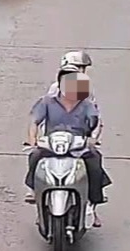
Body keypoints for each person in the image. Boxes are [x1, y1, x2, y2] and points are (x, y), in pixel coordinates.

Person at [25, 68, 110, 225]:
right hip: (52, 145)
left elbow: (97, 123)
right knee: (34, 156)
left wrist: (93, 138)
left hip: (78, 145)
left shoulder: (87, 104)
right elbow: (34, 122)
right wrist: (33, 141)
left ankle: (93, 203)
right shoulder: (47, 102)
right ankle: (36, 194)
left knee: (95, 159)